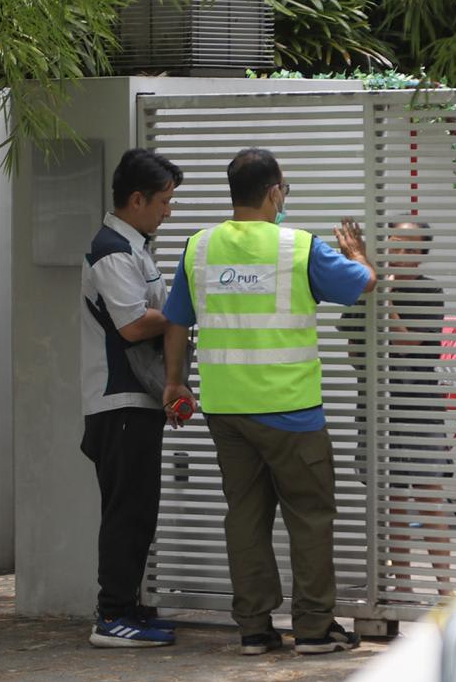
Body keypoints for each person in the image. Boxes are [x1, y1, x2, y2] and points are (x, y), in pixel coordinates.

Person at [161, 148, 377, 655]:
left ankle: (254, 628)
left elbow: (177, 320)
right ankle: (314, 629)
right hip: (291, 411)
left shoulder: (199, 247)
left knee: (245, 517)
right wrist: (360, 256)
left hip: (225, 410)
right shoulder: (298, 247)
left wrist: (175, 383)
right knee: (309, 516)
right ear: (274, 192)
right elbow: (361, 284)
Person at [80, 148, 182, 648]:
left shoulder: (133, 246)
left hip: (135, 403)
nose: (169, 210)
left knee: (140, 509)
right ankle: (112, 616)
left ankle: (129, 609)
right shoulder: (113, 250)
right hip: (118, 401)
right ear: (136, 199)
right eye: (164, 201)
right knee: (126, 511)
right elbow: (133, 323)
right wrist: (186, 310)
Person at [341, 221, 453, 595]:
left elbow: (407, 344)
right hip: (377, 407)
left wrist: (381, 293)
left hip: (417, 406)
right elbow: (355, 353)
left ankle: (445, 587)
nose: (399, 254)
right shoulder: (364, 292)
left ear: (421, 256)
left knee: (427, 493)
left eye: (409, 248)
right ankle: (401, 586)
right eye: (394, 245)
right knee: (391, 498)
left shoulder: (429, 292)